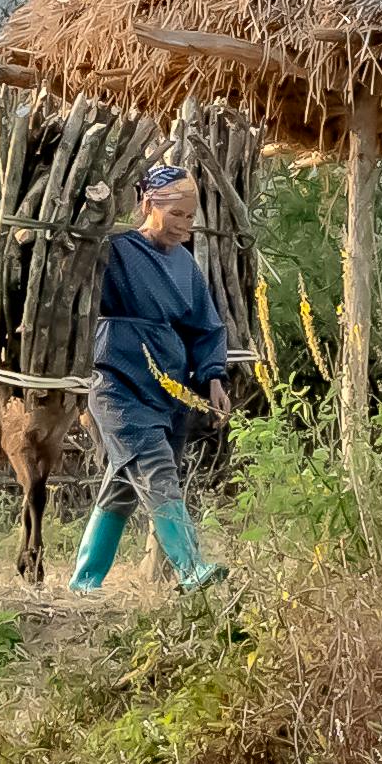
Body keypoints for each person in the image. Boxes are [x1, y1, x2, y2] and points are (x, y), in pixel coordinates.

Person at [68, 150, 239, 595]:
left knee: (123, 486)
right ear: (148, 205)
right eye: (176, 213)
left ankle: (84, 584)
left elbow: (205, 325)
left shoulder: (186, 265)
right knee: (157, 471)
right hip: (117, 383)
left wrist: (214, 377)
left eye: (190, 215)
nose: (185, 224)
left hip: (168, 391)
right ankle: (192, 568)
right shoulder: (116, 249)